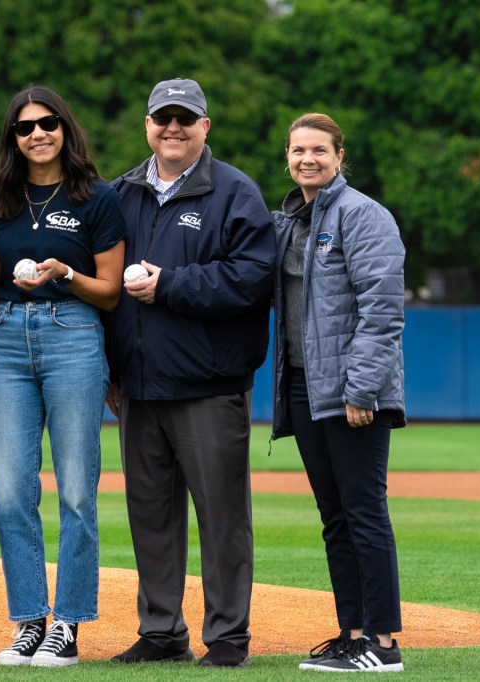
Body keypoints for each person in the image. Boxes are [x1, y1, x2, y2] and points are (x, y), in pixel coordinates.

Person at [104, 78, 276, 668]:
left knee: (222, 517)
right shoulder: (120, 192)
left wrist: (170, 285)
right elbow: (103, 287)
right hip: (139, 385)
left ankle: (227, 637)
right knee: (150, 516)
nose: (172, 128)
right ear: (147, 125)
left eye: (185, 118)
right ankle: (161, 630)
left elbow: (255, 277)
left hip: (209, 384)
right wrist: (110, 369)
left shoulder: (234, 191)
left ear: (205, 126)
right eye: (162, 118)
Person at [0, 85, 125, 667]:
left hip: (74, 333)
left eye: (47, 123)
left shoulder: (97, 197)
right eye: (24, 127)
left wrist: (65, 272)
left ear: (65, 127)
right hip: (10, 337)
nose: (37, 134)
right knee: (11, 491)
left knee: (74, 490)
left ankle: (66, 624)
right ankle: (30, 621)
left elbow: (112, 293)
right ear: (12, 139)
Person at [271, 112, 406, 673]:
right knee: (335, 515)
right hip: (304, 387)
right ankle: (353, 634)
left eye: (319, 151)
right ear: (288, 157)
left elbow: (382, 309)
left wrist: (362, 388)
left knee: (364, 511)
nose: (308, 159)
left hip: (353, 393)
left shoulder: (362, 214)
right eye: (299, 150)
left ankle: (385, 642)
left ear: (339, 156)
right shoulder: (289, 220)